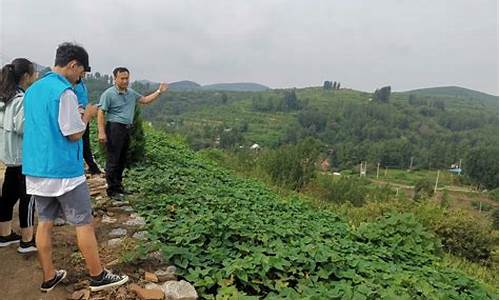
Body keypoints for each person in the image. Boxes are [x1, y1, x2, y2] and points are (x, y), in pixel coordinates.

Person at [22, 42, 128, 292]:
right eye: (81, 72)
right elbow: (73, 134)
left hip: (37, 168)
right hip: (64, 170)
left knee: (45, 222)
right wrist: (88, 114)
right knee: (83, 222)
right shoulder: (64, 92)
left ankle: (49, 276)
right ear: (73, 65)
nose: (80, 77)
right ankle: (97, 275)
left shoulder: (33, 90)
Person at [97, 67, 167, 198]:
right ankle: (112, 190)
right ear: (115, 79)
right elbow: (101, 112)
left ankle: (118, 186)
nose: (125, 81)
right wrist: (101, 132)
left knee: (122, 159)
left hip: (126, 129)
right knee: (113, 159)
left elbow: (145, 100)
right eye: (122, 78)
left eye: (126, 78)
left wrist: (159, 91)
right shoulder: (109, 94)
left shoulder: (131, 93)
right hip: (114, 128)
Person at [0, 58, 38, 253]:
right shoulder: (21, 100)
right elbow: (22, 126)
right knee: (28, 199)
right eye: (34, 72)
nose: (36, 75)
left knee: (7, 196)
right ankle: (27, 241)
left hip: (9, 156)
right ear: (25, 76)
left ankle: (4, 235)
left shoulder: (4, 98)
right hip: (24, 157)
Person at [74, 81, 102, 175]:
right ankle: (91, 167)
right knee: (81, 143)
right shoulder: (71, 85)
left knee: (85, 143)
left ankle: (92, 167)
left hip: (85, 115)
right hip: (78, 116)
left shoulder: (81, 84)